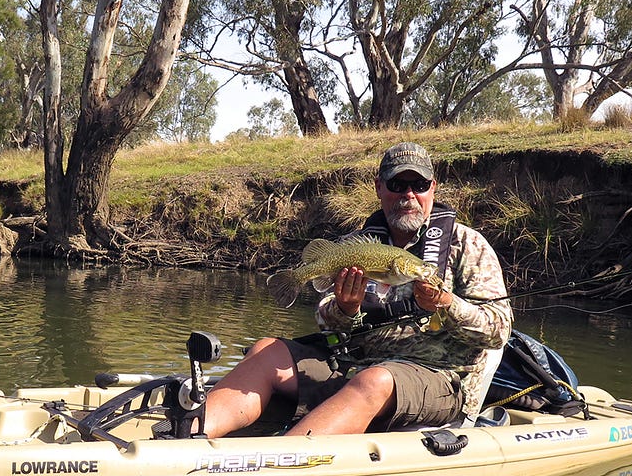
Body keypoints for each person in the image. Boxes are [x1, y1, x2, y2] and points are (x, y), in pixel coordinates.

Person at [202, 142, 512, 437]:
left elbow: (498, 331)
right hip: (355, 366)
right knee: (266, 351)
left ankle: (282, 463)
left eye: (418, 186)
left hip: (439, 382)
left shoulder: (467, 245)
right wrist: (345, 309)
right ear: (379, 188)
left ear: (432, 188)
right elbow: (325, 320)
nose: (408, 195)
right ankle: (186, 439)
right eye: (397, 185)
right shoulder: (355, 244)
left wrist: (446, 304)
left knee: (374, 381)